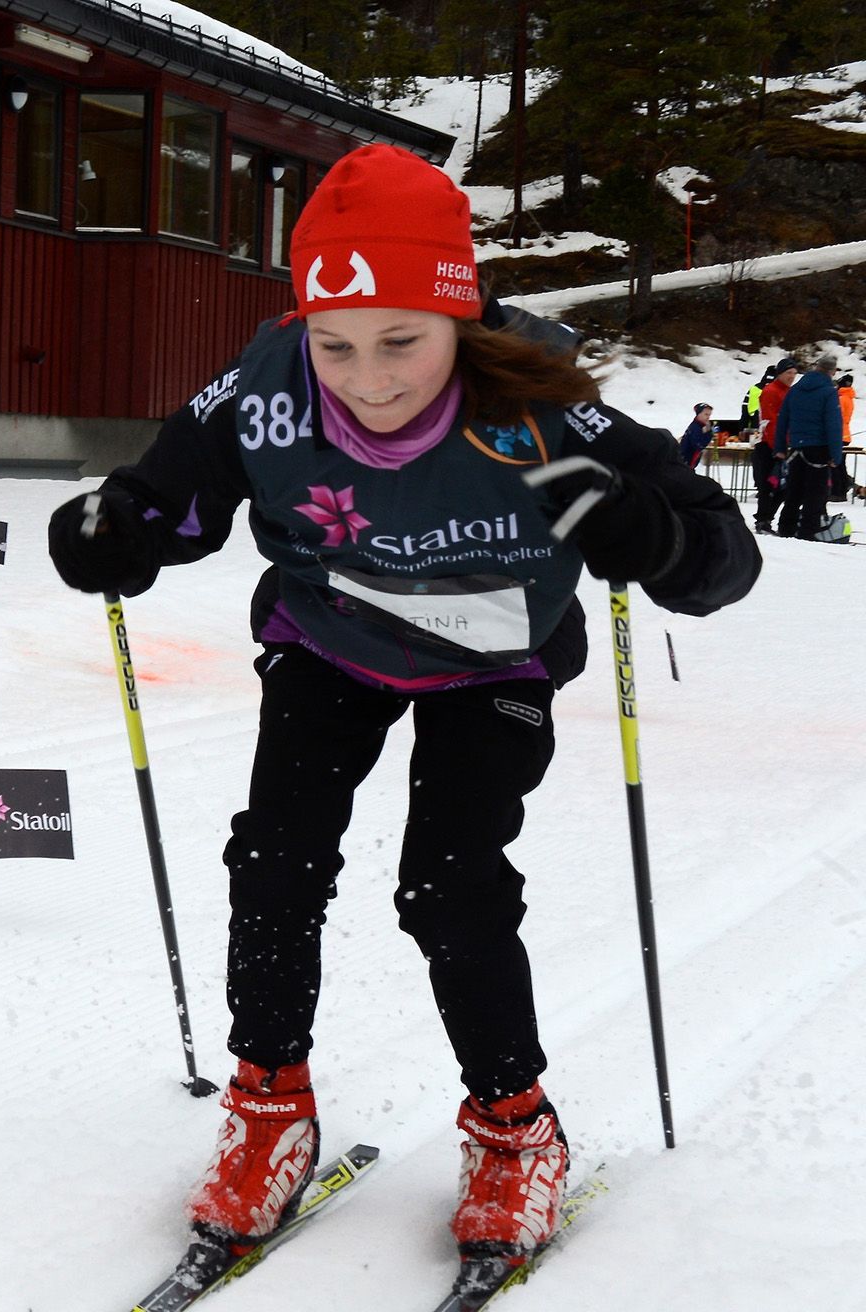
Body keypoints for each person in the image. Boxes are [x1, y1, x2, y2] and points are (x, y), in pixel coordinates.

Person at [47, 145, 759, 1284]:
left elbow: (718, 561)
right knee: (273, 860)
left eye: (399, 341)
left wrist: (657, 537)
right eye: (335, 342)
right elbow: (171, 495)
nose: (366, 376)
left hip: (494, 665)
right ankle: (269, 1101)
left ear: (458, 318)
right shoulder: (270, 385)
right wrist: (116, 526)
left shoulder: (529, 403)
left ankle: (513, 1125)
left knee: (447, 883)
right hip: (329, 643)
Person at [776, 353, 846, 539]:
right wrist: (836, 455)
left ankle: (786, 527)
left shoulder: (796, 389)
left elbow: (782, 419)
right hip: (819, 450)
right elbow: (833, 425)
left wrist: (780, 447)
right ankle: (808, 531)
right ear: (831, 371)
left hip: (796, 449)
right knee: (816, 493)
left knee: (794, 491)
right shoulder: (829, 392)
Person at [756, 357, 799, 534]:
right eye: (789, 373)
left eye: (794, 373)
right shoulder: (771, 391)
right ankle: (763, 520)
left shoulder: (789, 391)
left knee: (782, 485)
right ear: (780, 373)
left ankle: (767, 517)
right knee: (768, 485)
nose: (792, 377)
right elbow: (771, 421)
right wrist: (778, 446)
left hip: (784, 443)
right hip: (769, 444)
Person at [678, 403, 715, 469]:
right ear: (698, 414)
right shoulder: (695, 427)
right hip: (686, 461)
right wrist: (709, 433)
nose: (708, 417)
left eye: (709, 415)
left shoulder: (700, 426)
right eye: (706, 414)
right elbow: (699, 445)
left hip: (689, 461)